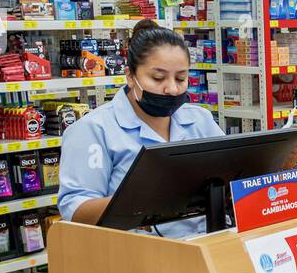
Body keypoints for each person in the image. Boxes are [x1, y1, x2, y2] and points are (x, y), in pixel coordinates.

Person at [58, 19, 223, 236]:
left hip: (206, 244)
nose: (172, 89)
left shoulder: (200, 120)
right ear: (130, 76)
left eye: (181, 78)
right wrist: (140, 202)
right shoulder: (94, 129)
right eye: (158, 78)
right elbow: (74, 210)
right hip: (136, 255)